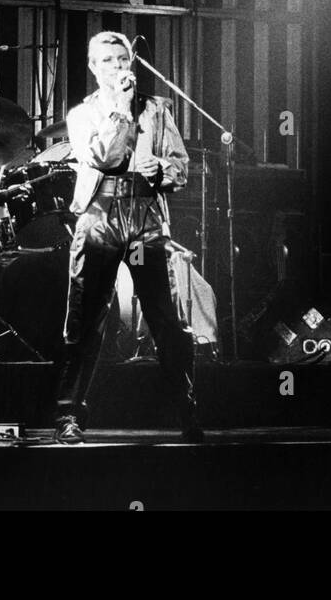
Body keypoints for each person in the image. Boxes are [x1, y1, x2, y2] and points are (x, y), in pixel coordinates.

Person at [52, 31, 200, 443]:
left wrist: (162, 172)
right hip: (101, 214)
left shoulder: (156, 111)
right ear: (94, 69)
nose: (118, 67)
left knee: (164, 317)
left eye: (122, 59)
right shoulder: (83, 114)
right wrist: (119, 108)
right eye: (108, 61)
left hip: (145, 217)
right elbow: (106, 157)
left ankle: (186, 408)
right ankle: (69, 414)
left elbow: (181, 167)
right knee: (85, 317)